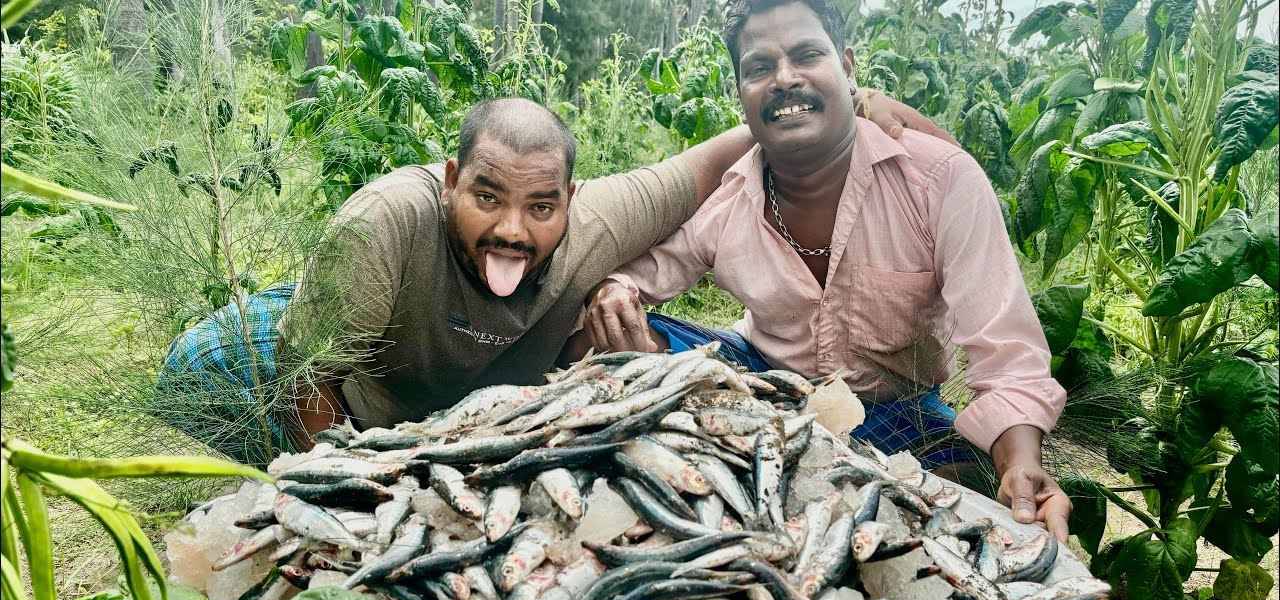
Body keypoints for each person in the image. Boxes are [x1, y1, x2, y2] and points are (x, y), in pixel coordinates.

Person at [158, 94, 950, 464]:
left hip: (476, 409)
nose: (512, 228)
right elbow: (312, 378)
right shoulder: (385, 223)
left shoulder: (595, 221)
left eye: (540, 206)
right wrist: (338, 478)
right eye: (487, 197)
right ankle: (273, 305)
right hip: (365, 379)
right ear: (450, 182)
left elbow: (708, 160)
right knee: (194, 376)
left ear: (569, 200)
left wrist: (848, 104)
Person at [579, 0, 1072, 541]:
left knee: (965, 491)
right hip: (755, 385)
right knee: (597, 340)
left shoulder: (938, 182)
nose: (784, 79)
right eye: (759, 67)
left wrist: (1020, 462)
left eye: (807, 55)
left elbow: (1008, 356)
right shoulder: (728, 200)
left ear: (848, 66)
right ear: (740, 91)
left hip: (893, 411)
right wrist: (614, 291)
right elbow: (642, 275)